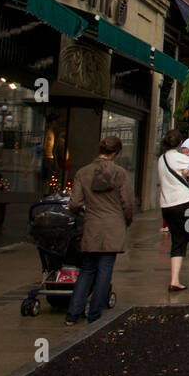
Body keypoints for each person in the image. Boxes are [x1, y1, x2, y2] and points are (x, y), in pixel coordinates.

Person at [65, 136, 135, 326]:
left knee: (87, 270)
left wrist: (83, 213)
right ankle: (95, 315)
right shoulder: (120, 173)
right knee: (105, 270)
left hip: (92, 225)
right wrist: (127, 220)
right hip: (113, 225)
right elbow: (128, 203)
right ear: (117, 152)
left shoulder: (83, 172)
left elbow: (75, 203)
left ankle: (72, 313)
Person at [159, 129, 189, 292]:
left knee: (178, 241)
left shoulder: (161, 160)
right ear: (180, 144)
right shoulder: (182, 159)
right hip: (187, 206)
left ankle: (174, 280)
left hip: (167, 207)